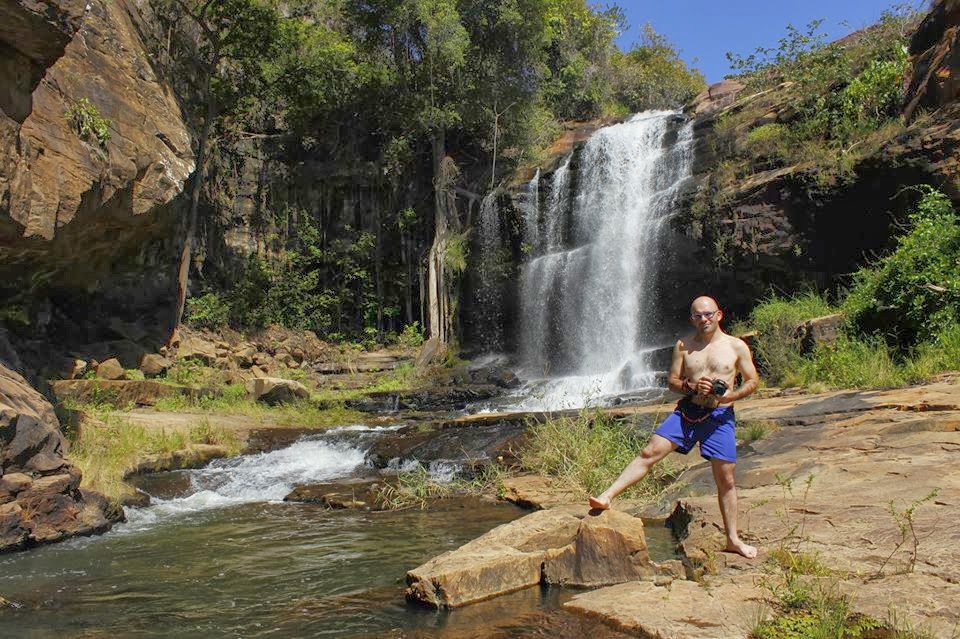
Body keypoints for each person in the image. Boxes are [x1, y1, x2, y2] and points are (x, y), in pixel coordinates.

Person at [589, 295, 760, 559]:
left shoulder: (736, 347)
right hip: (688, 412)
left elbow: (752, 381)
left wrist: (729, 396)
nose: (703, 319)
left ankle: (733, 539)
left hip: (720, 416)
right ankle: (607, 495)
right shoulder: (683, 346)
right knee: (650, 452)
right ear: (691, 318)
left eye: (708, 314)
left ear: (719, 315)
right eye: (697, 315)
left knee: (725, 478)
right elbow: (672, 381)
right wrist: (691, 387)